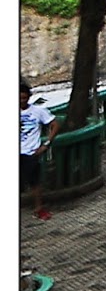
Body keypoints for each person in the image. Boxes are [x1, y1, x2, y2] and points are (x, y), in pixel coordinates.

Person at [21, 79, 59, 220]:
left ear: (29, 97)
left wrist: (46, 144)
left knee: (34, 182)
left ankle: (39, 208)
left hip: (30, 151)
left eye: (24, 98)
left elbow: (54, 124)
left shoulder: (38, 111)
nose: (21, 101)